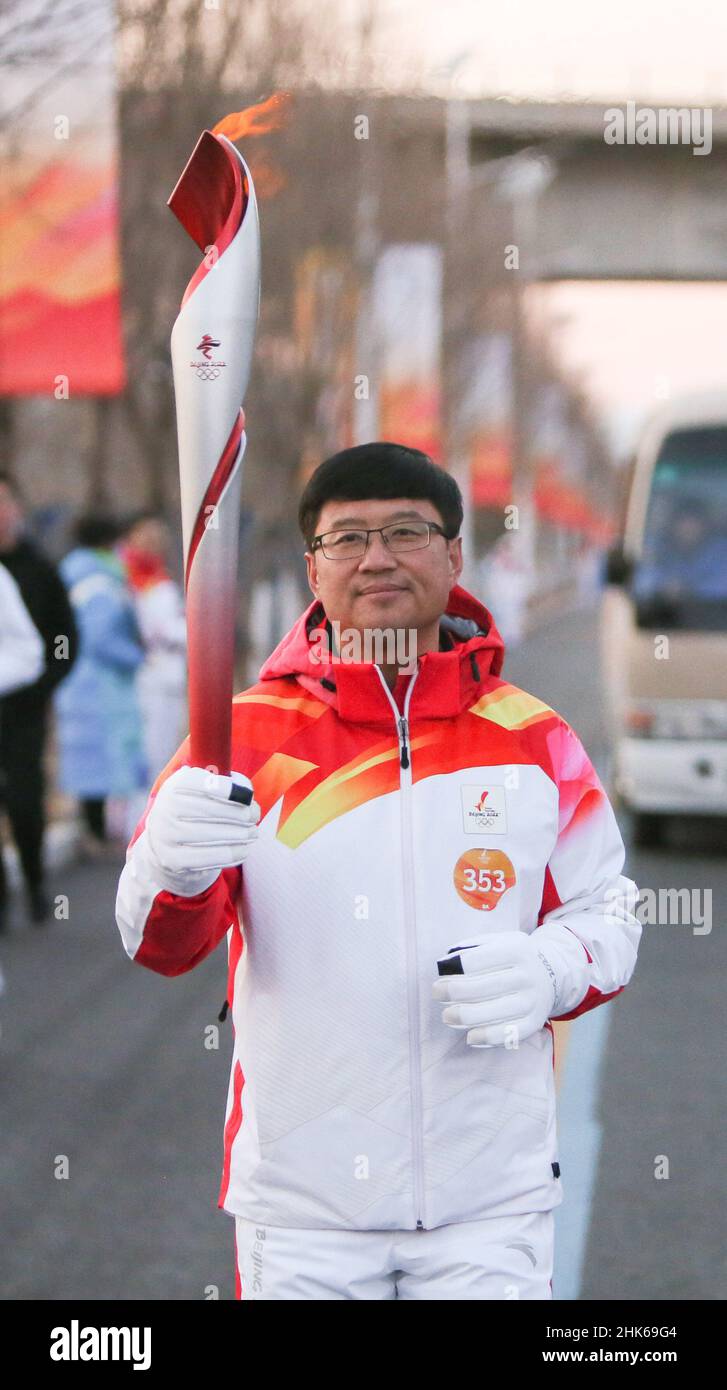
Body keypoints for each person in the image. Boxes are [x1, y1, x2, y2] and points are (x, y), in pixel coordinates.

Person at [115, 442, 641, 1301]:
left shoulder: (532, 738)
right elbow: (161, 945)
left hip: (488, 1201)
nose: (378, 558)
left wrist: (548, 969)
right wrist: (168, 867)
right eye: (347, 539)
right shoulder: (241, 737)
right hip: (302, 1207)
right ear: (314, 568)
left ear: (454, 555)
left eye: (406, 531)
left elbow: (608, 914)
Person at [0, 473, 79, 928]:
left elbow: (63, 638)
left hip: (27, 706)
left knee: (25, 797)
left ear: (17, 509)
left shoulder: (40, 571)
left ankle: (33, 882)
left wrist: (47, 681)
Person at [54, 515, 147, 857]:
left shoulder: (72, 573)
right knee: (105, 757)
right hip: (101, 684)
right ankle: (99, 833)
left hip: (78, 680)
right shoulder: (101, 580)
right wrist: (137, 655)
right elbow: (101, 636)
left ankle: (93, 828)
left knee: (87, 759)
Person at [118, 511, 188, 785]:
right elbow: (152, 629)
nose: (152, 542)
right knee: (144, 755)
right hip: (142, 676)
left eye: (157, 537)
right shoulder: (124, 578)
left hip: (167, 676)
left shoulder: (161, 579)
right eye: (145, 536)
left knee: (164, 753)